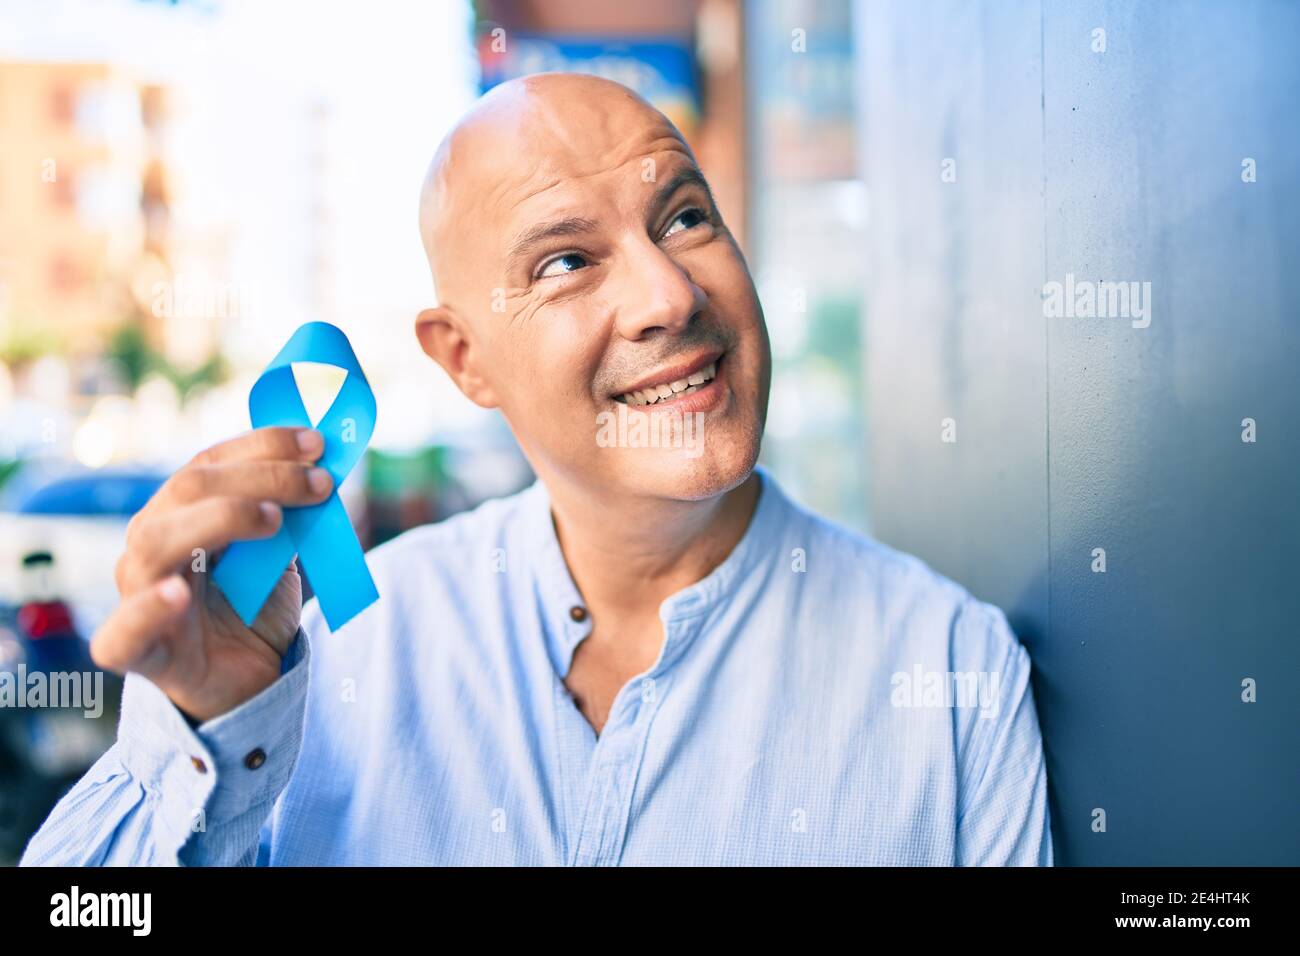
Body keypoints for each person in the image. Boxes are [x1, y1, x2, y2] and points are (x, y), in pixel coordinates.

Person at [21, 74, 1051, 866]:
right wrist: (201, 739)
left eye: (685, 217)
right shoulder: (340, 654)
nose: (667, 295)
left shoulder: (955, 674)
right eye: (566, 260)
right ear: (464, 359)